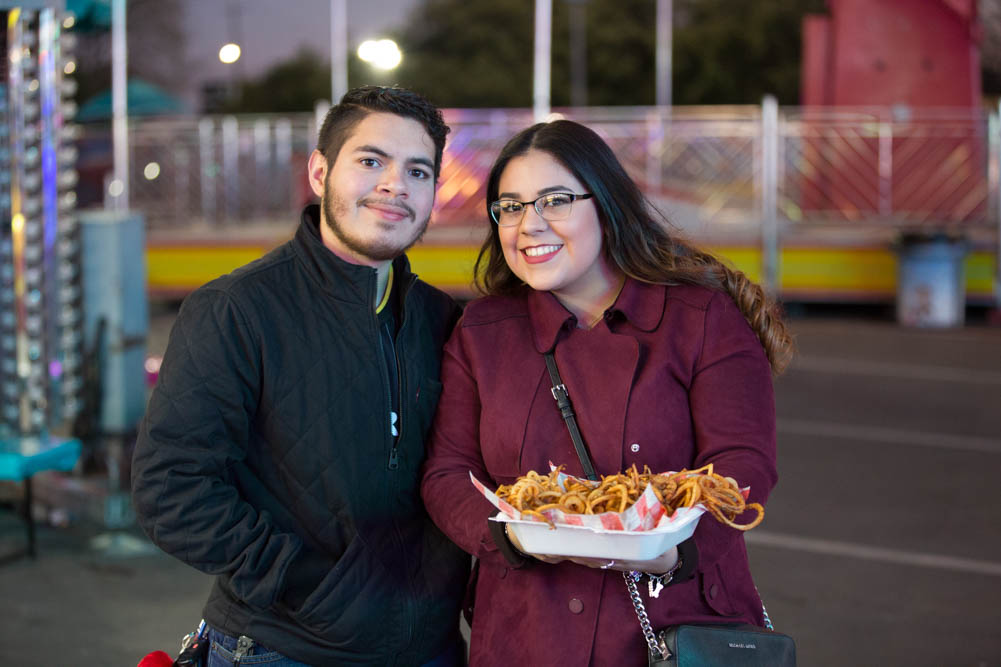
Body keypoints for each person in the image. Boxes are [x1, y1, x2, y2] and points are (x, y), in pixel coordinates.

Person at [421, 119, 794, 666]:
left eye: (555, 200)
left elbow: (743, 462)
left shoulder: (702, 317)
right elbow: (448, 472)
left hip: (671, 626)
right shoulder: (482, 332)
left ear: (608, 202)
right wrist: (507, 538)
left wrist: (674, 552)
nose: (530, 225)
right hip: (527, 633)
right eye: (511, 207)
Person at [132, 86, 469, 666]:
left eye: (418, 171)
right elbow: (171, 487)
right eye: (371, 161)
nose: (395, 184)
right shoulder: (238, 308)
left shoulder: (442, 319)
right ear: (320, 172)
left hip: (431, 647)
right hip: (283, 647)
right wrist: (307, 583)